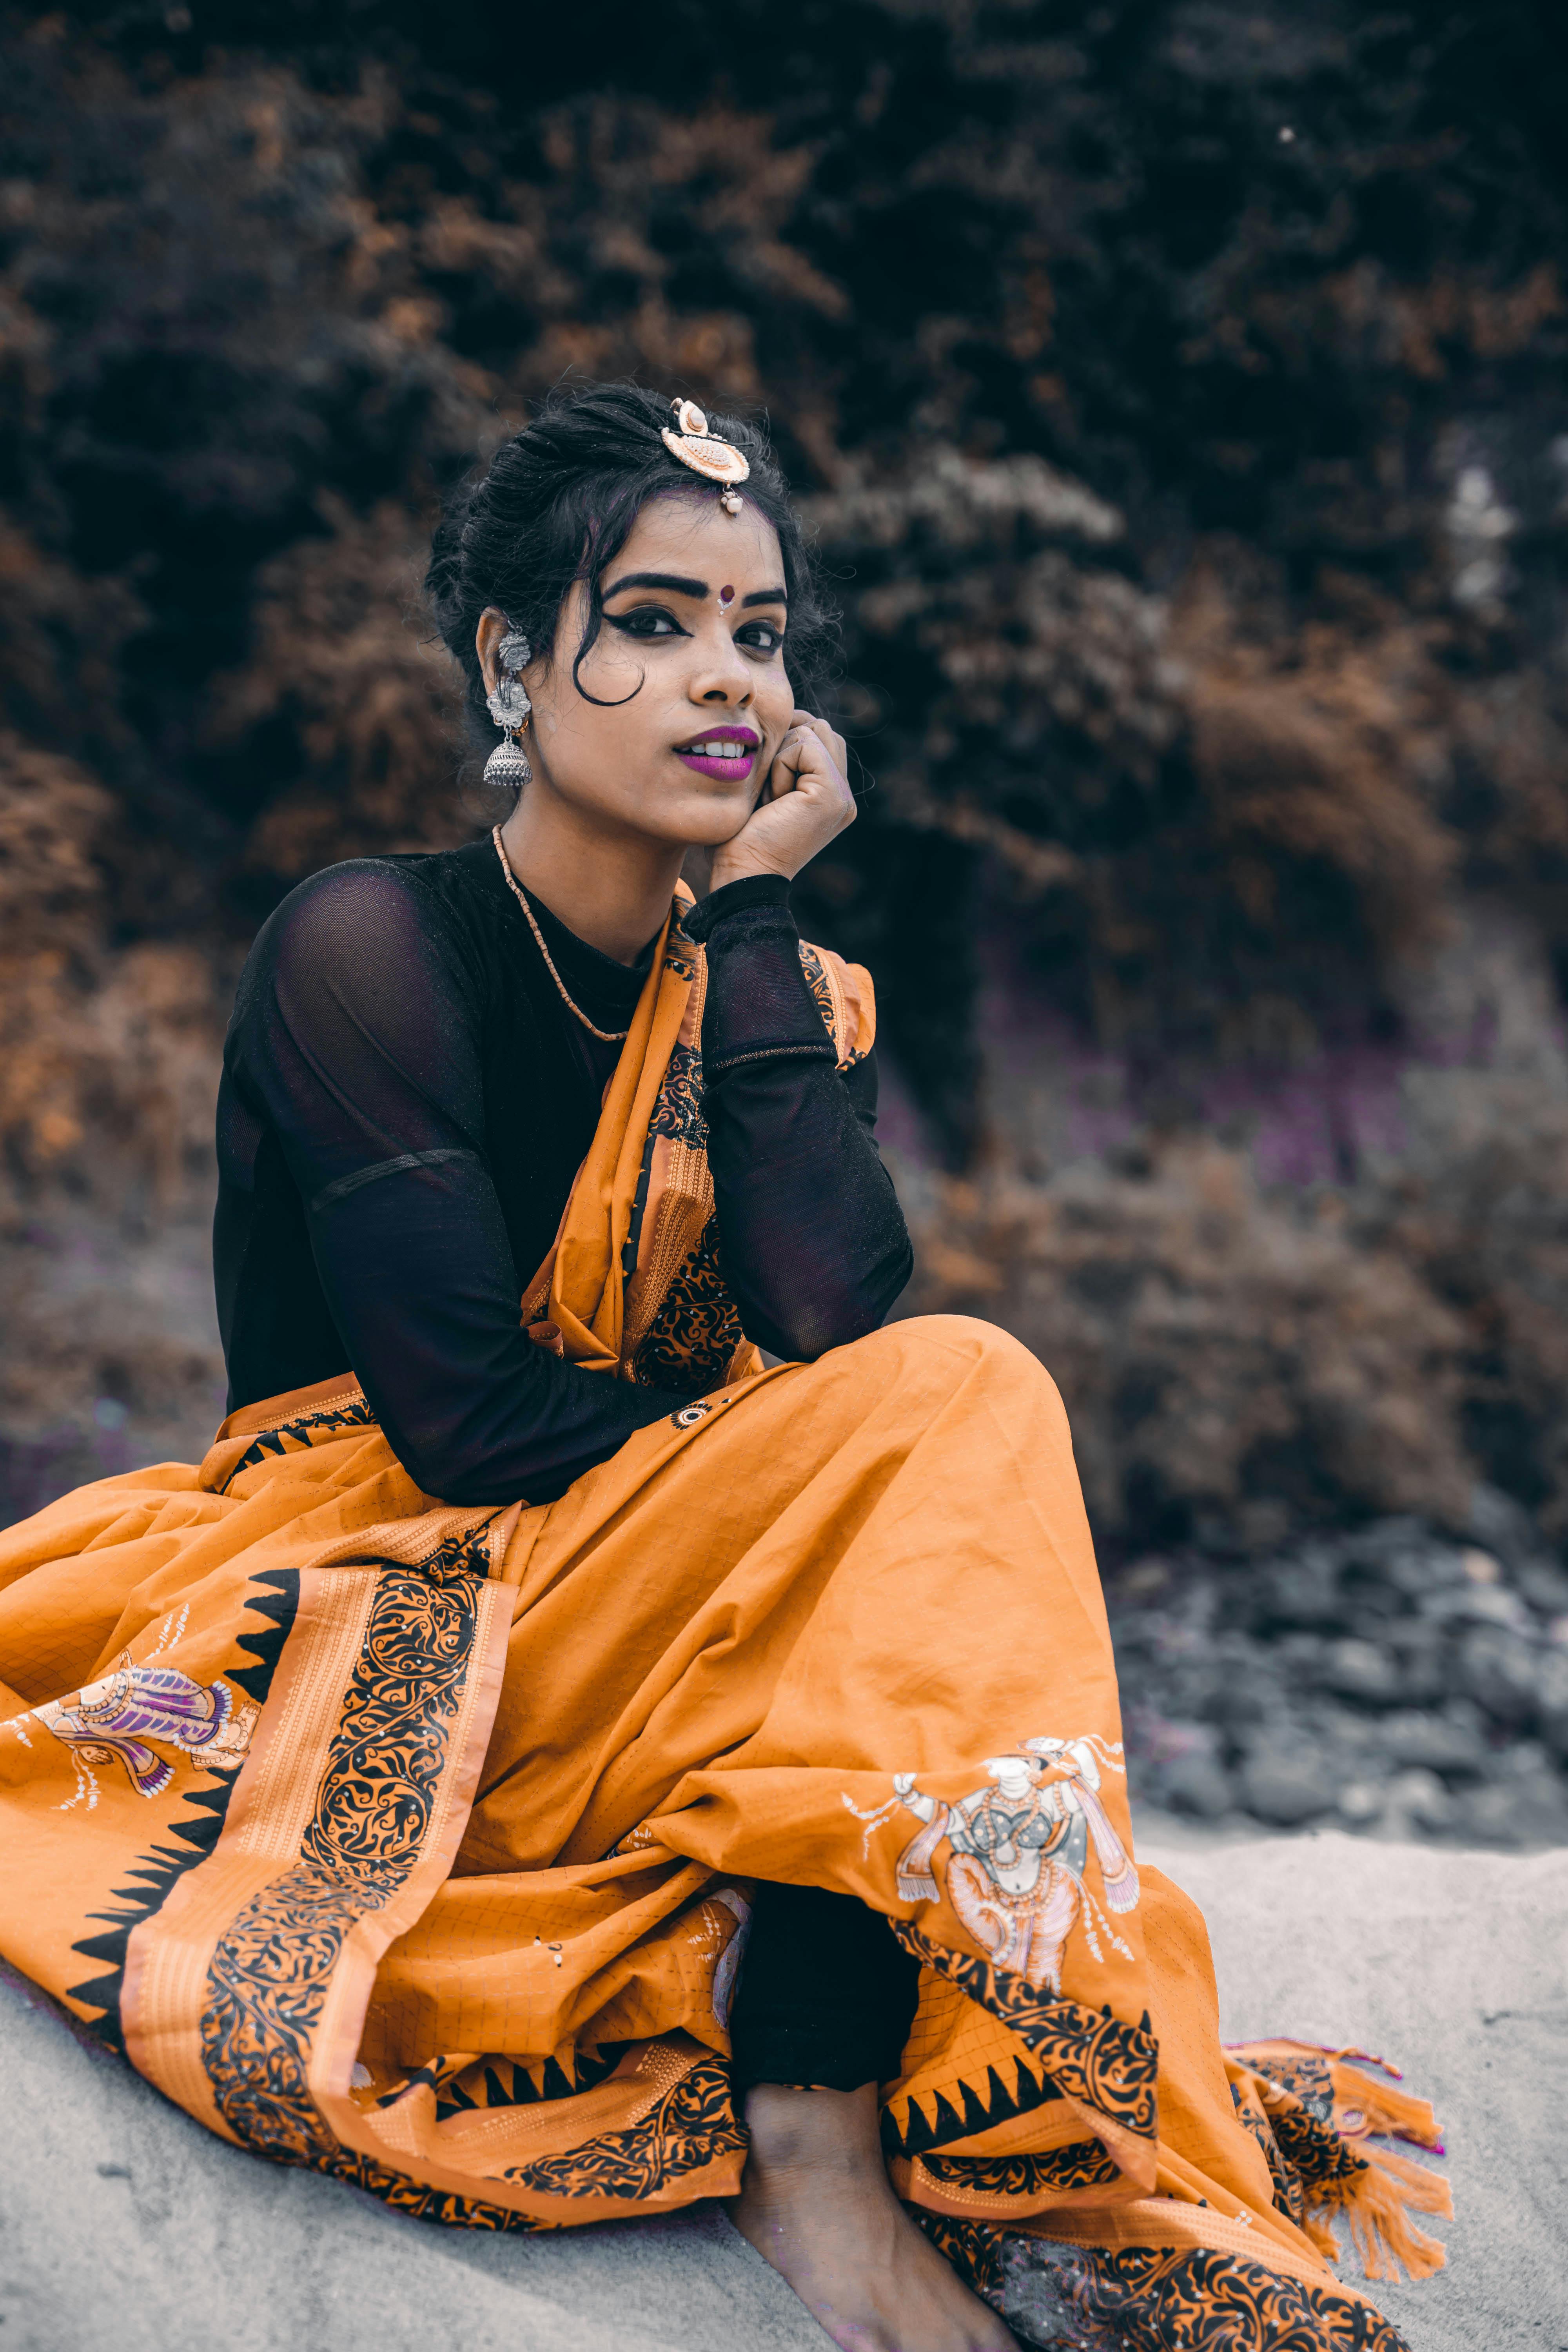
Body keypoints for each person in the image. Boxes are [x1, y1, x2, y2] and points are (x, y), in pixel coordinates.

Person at [0, 385, 1450, 2352]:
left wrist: (754, 910)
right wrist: (780, 1488)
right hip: (373, 1585)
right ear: (514, 661)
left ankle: (843, 2106)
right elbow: (466, 1418)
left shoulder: (770, 993)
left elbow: (827, 1307)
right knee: (956, 1410)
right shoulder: (363, 947)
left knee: (929, 1420)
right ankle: (814, 2156)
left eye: (760, 634)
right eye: (659, 619)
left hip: (642, 1594)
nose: (728, 681)